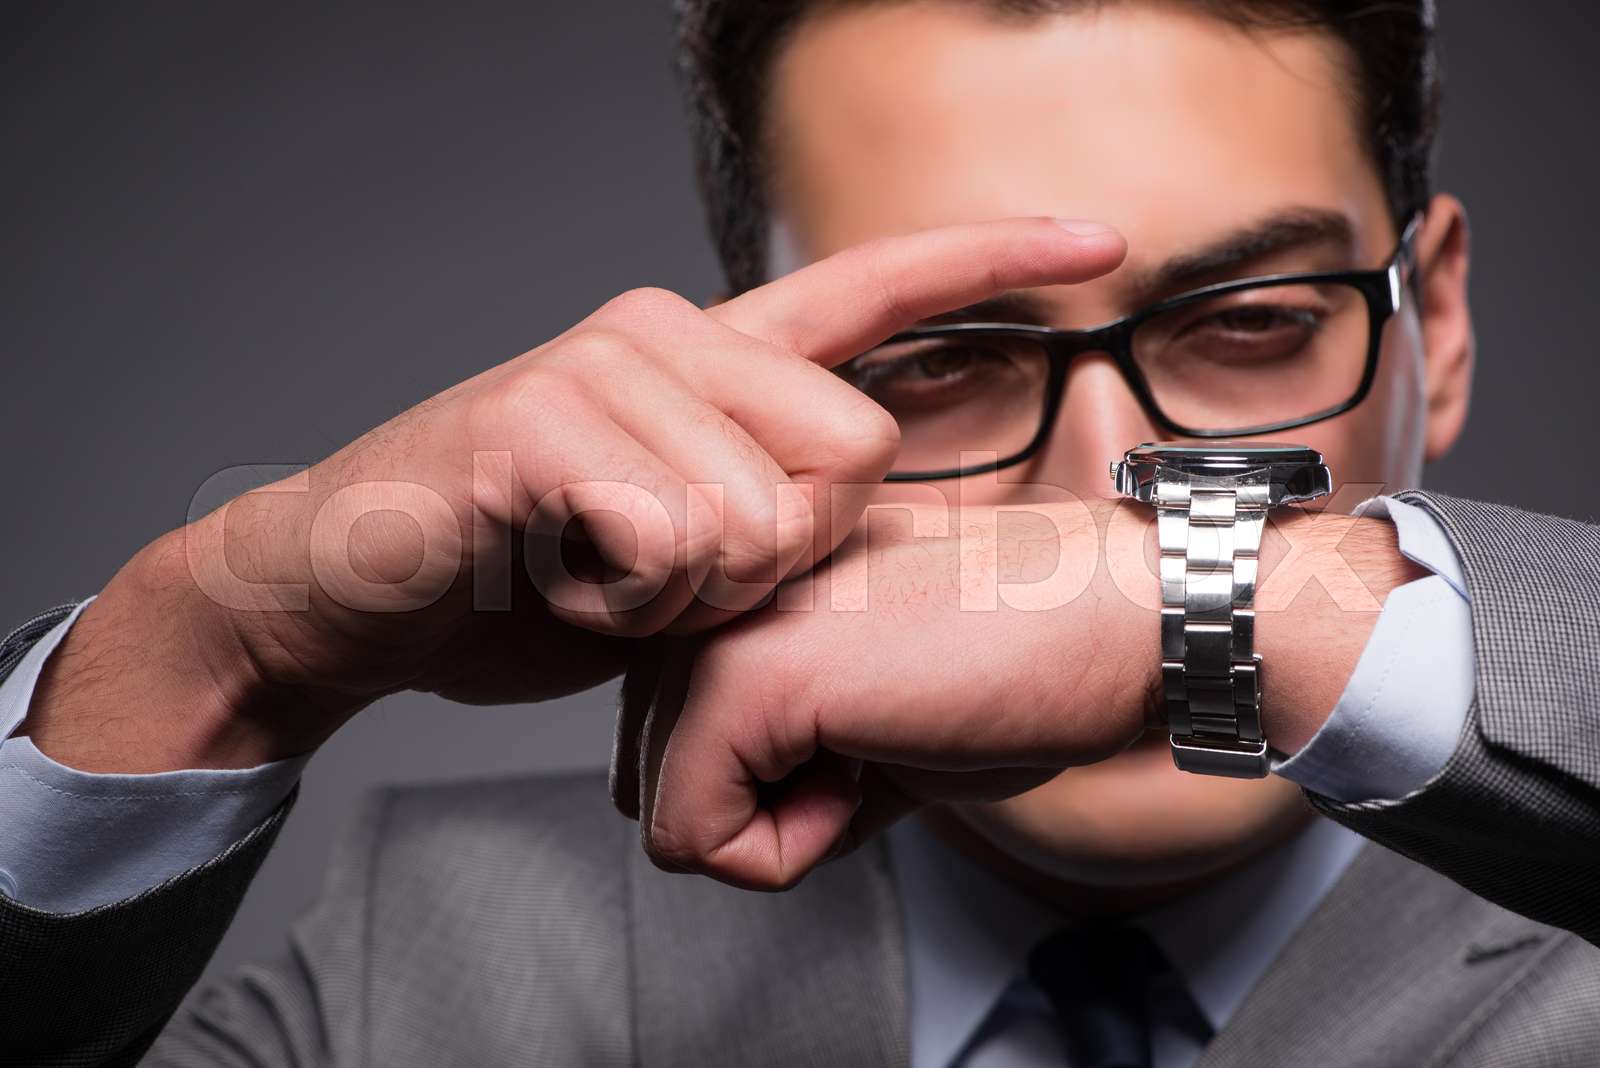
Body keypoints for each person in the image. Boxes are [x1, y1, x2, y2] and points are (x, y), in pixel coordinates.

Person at [5, 1, 1600, 1065]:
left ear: (1436, 322)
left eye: (1248, 322)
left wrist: (1224, 615)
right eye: (937, 356)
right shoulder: (435, 955)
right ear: (732, 388)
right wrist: (210, 652)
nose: (1114, 486)